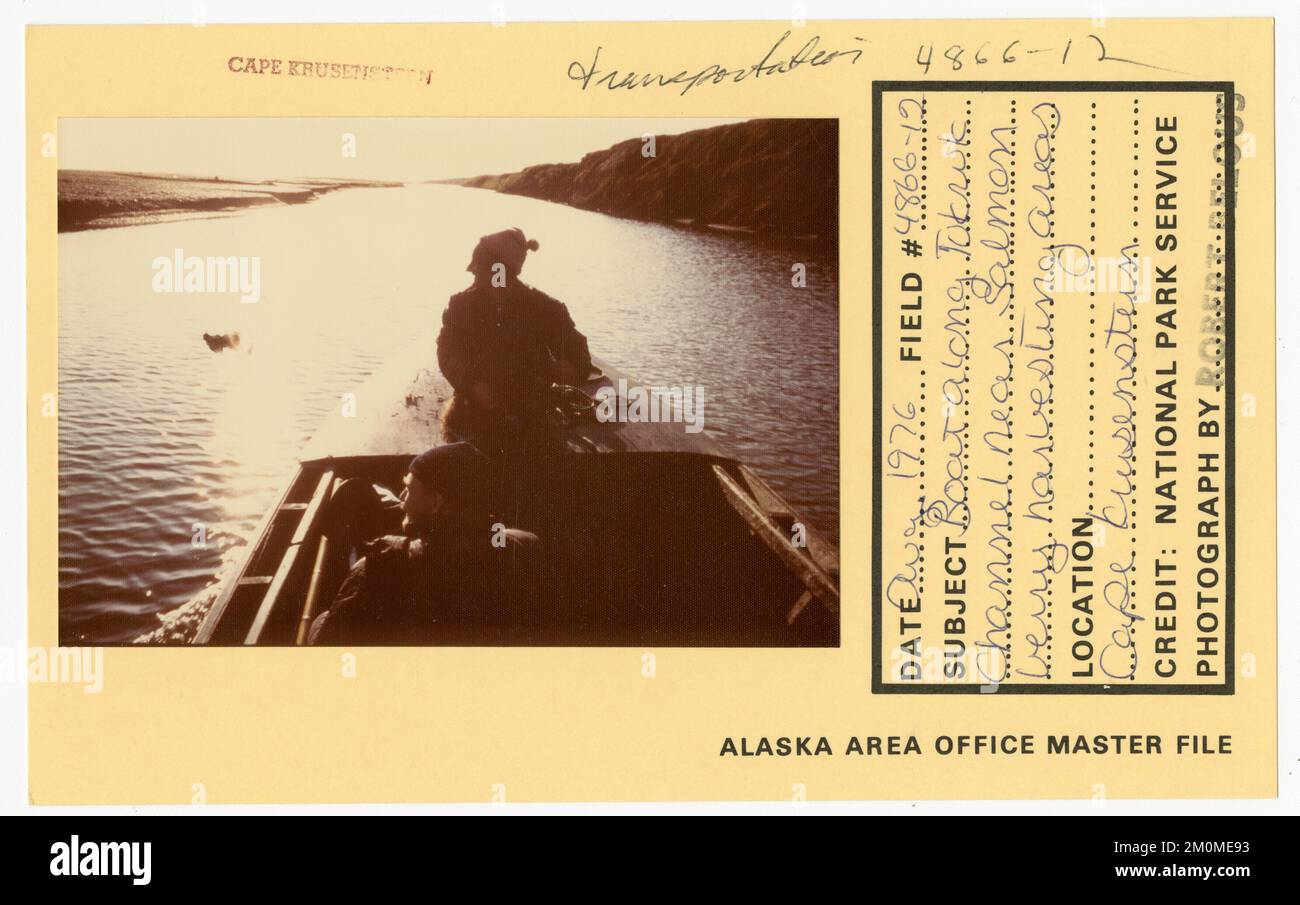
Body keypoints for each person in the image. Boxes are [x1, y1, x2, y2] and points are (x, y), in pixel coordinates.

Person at [308, 442, 538, 645]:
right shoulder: (523, 549)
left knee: (320, 621)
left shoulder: (379, 565)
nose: (402, 501)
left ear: (436, 503)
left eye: (408, 490)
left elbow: (327, 646)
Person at [436, 228, 593, 451]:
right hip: (474, 413)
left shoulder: (545, 308)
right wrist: (473, 384)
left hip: (532, 415)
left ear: (499, 271)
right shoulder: (461, 306)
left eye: (478, 266)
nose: (472, 271)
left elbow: (577, 349)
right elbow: (447, 353)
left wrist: (574, 368)